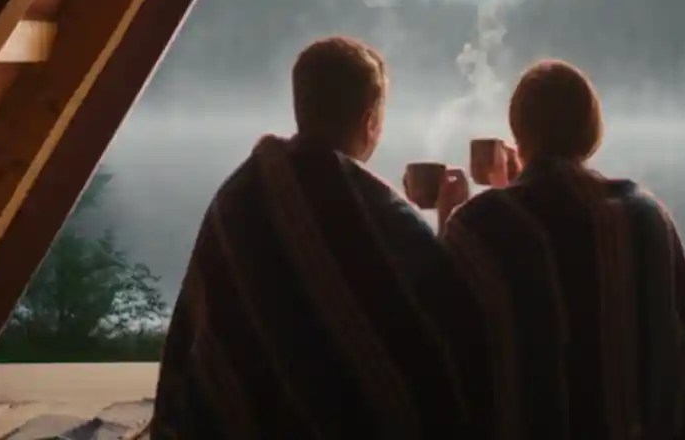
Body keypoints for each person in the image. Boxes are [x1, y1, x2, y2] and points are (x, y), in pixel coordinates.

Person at [152, 37, 488, 439]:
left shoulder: (240, 193)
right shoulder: (378, 213)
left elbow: (199, 332)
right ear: (370, 122)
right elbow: (452, 317)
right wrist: (451, 222)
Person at [442, 59, 685, 440]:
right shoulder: (645, 214)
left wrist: (451, 218)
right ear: (592, 133)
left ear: (518, 135)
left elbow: (447, 342)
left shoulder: (479, 225)